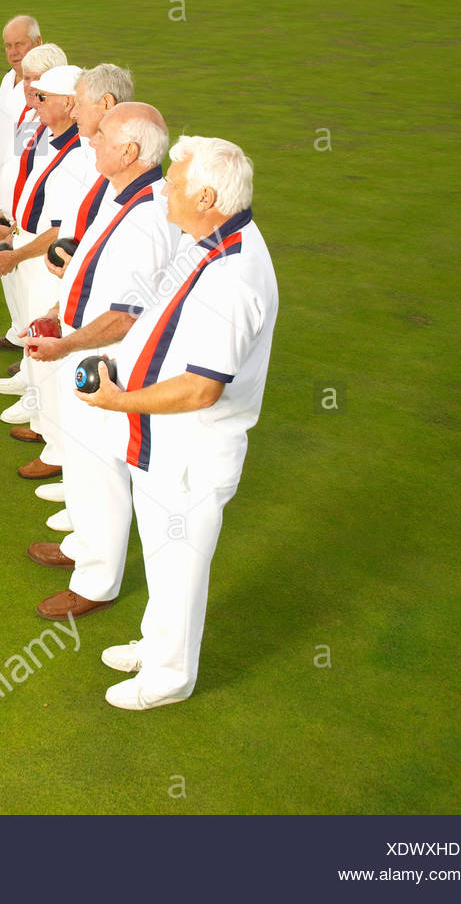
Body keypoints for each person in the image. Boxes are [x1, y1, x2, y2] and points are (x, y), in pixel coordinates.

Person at [77, 136, 278, 710]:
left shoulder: (233, 276)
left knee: (181, 560)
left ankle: (169, 677)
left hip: (192, 450)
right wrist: (120, 365)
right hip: (164, 442)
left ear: (208, 196)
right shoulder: (207, 240)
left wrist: (119, 402)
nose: (164, 186)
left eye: (177, 181)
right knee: (164, 557)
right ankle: (155, 642)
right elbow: (160, 325)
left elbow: (201, 387)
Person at [22, 102, 179, 627]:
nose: (93, 141)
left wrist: (66, 346)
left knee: (99, 468)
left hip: (105, 362)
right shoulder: (124, 195)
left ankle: (97, 581)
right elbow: (90, 272)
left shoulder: (147, 215)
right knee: (87, 469)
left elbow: (125, 315)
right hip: (84, 347)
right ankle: (86, 547)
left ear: (130, 151)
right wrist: (55, 313)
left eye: (103, 136)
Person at [0, 63, 88, 482]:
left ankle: (61, 450)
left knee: (51, 349)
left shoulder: (80, 153)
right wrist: (7, 225)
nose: (35, 101)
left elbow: (61, 229)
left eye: (43, 96)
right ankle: (47, 427)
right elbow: (30, 189)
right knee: (36, 343)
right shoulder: (52, 136)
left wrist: (17, 252)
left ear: (69, 103)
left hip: (47, 259)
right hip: (29, 246)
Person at [0, 42, 67, 406]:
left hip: (43, 236)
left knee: (43, 317)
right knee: (24, 306)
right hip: (18, 226)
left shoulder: (64, 127)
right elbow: (21, 169)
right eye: (27, 79)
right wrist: (4, 216)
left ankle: (41, 405)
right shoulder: (29, 116)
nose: (28, 86)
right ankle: (29, 383)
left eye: (35, 80)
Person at [0, 14, 42, 351]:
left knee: (24, 268)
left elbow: (31, 156)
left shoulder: (38, 91)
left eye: (20, 44)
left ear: (38, 43)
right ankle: (18, 330)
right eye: (8, 46)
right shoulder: (9, 80)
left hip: (16, 199)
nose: (14, 51)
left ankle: (34, 345)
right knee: (5, 264)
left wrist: (11, 205)